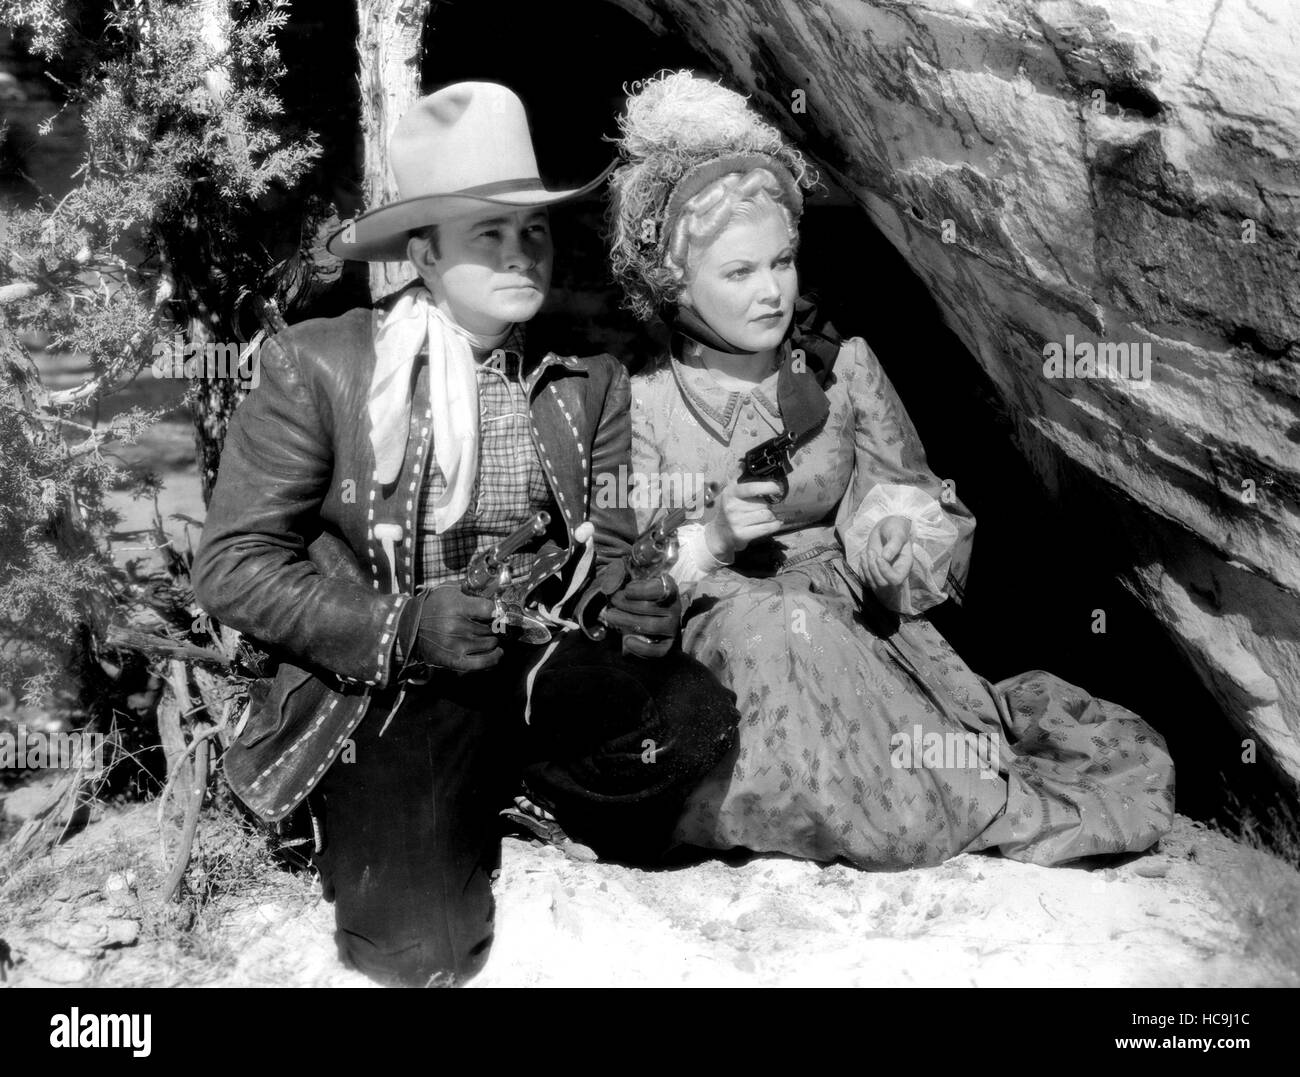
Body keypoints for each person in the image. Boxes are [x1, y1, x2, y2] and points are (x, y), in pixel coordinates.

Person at [192, 81, 738, 987]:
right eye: (489, 233)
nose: (522, 253)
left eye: (533, 230)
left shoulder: (582, 379)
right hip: (381, 684)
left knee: (691, 721)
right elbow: (232, 567)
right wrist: (404, 626)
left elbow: (599, 551)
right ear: (424, 253)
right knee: (419, 950)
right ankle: (413, 801)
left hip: (526, 656)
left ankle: (502, 781)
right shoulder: (319, 364)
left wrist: (629, 602)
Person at [606, 71, 1174, 869]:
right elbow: (617, 577)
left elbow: (905, 488)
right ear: (675, 284)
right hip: (726, 649)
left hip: (859, 630)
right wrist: (710, 537)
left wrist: (897, 536)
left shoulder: (843, 370)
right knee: (771, 637)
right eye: (739, 273)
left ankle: (951, 800)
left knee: (930, 749)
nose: (772, 291)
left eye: (782, 261)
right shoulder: (643, 402)